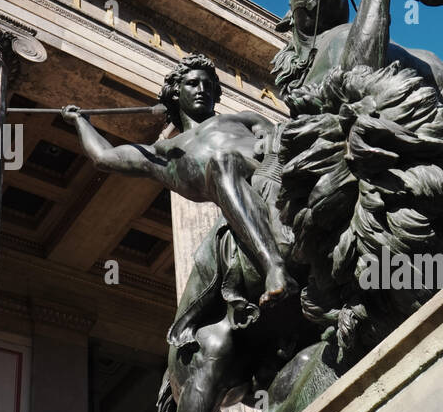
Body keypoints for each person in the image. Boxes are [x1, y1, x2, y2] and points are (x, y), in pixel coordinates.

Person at [61, 52, 294, 305]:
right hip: (228, 180)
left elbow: (282, 140)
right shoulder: (162, 153)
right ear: (175, 92)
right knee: (222, 161)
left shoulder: (244, 118)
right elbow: (103, 157)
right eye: (193, 84)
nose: (202, 89)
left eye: (208, 85)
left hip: (271, 177)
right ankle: (273, 264)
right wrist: (80, 122)